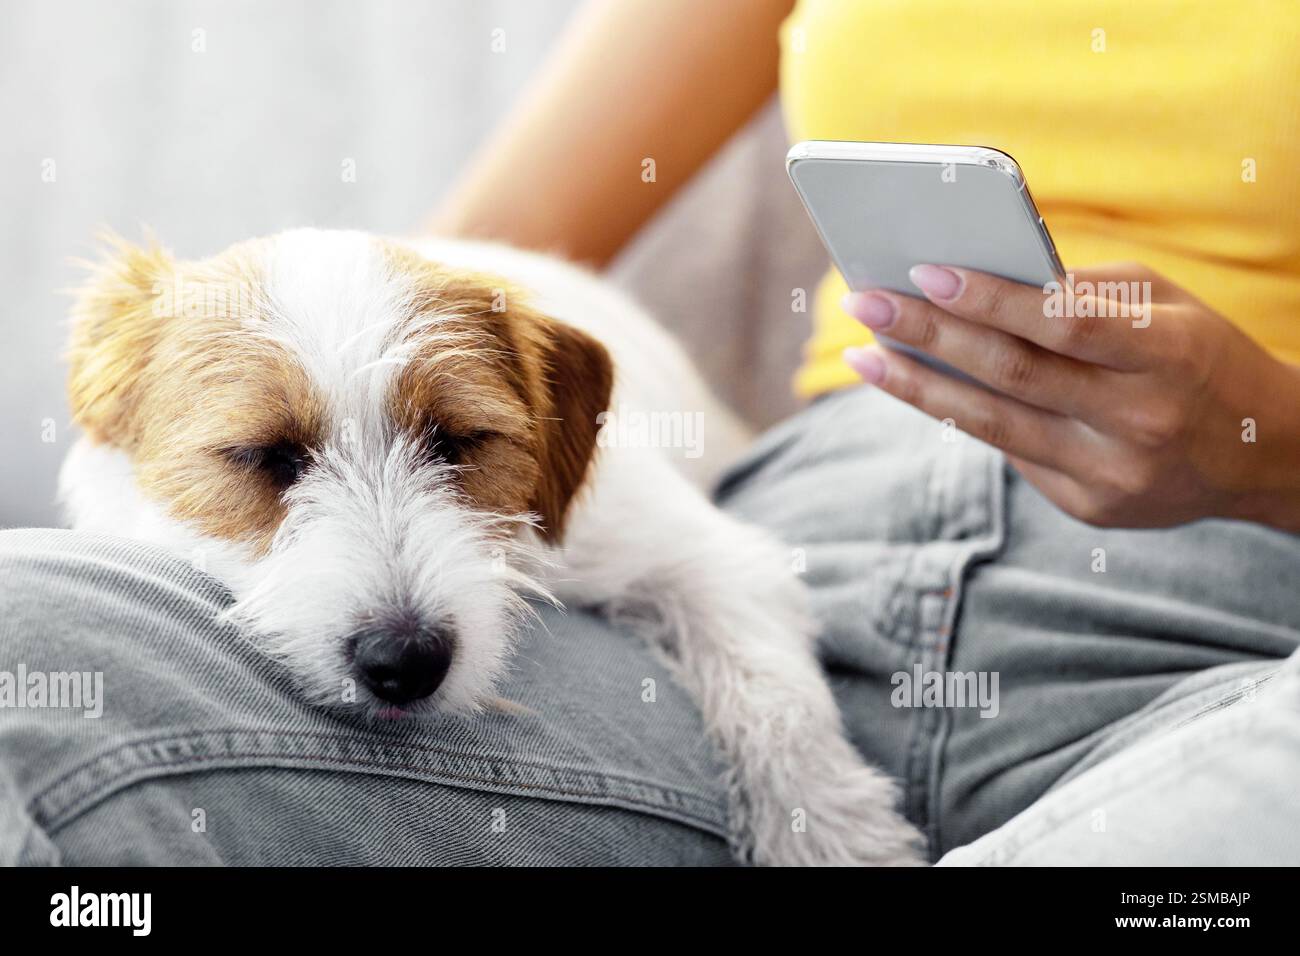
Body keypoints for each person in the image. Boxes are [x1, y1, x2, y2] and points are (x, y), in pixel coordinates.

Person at [2, 0, 1297, 865]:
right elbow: (443, 275)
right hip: (759, 584)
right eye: (268, 463)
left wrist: (1259, 443)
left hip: (1229, 627)